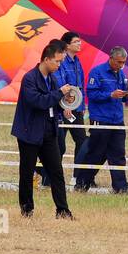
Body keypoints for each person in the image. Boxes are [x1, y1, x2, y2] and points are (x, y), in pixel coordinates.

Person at [10, 39, 75, 218]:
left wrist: (65, 103)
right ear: (46, 59)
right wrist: (59, 93)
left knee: (56, 172)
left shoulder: (52, 79)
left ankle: (63, 210)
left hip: (49, 132)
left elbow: (53, 102)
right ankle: (27, 210)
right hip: (30, 132)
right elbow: (38, 102)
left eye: (61, 61)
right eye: (57, 61)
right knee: (26, 172)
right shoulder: (29, 78)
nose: (59, 65)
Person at [75, 46, 128, 193]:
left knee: (118, 154)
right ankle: (81, 184)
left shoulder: (121, 74)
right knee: (95, 153)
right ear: (111, 58)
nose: (121, 65)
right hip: (100, 119)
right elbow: (92, 94)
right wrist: (110, 95)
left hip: (117, 119)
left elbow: (124, 96)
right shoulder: (97, 72)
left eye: (124, 62)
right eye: (119, 62)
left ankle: (120, 188)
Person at [40, 31, 85, 188]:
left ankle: (78, 177)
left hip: (75, 108)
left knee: (81, 141)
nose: (80, 44)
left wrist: (81, 105)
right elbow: (60, 85)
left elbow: (80, 86)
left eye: (80, 41)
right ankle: (44, 175)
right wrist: (65, 106)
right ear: (67, 45)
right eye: (76, 41)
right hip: (64, 108)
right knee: (59, 145)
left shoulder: (78, 61)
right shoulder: (60, 62)